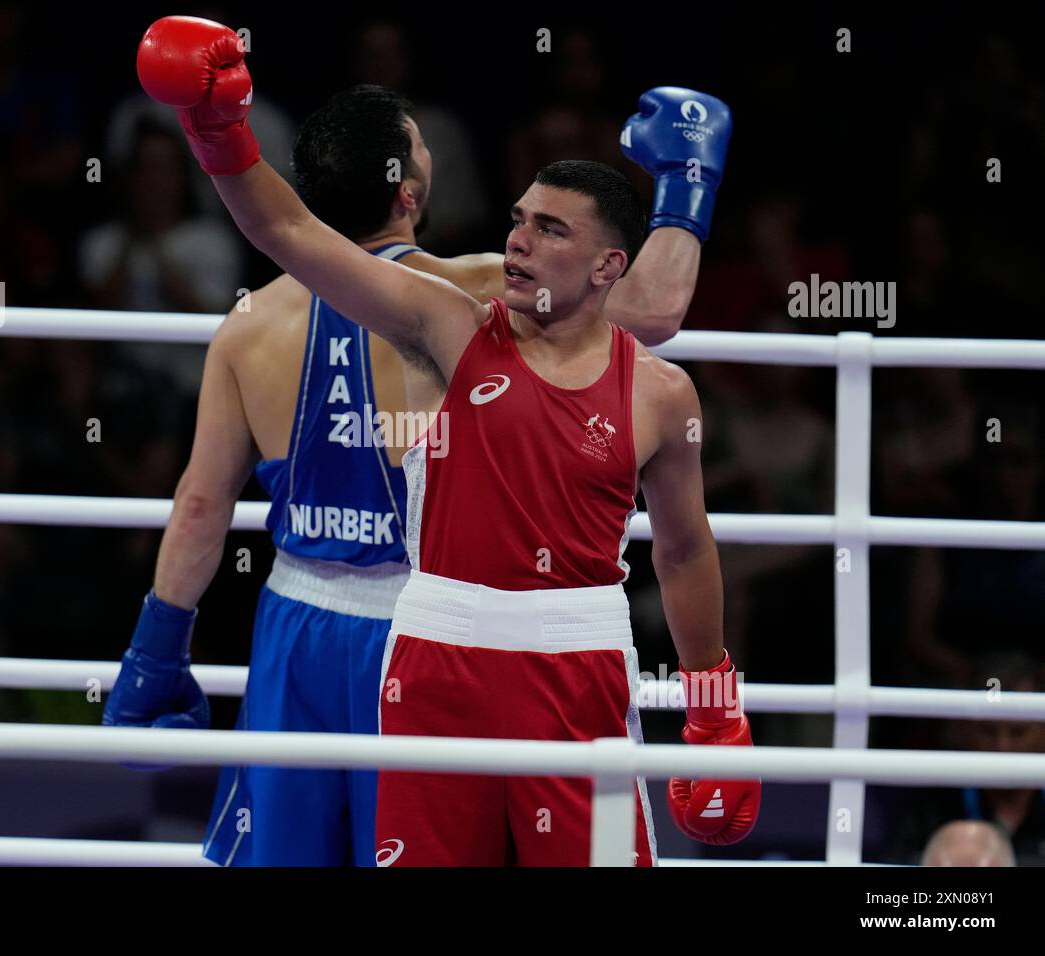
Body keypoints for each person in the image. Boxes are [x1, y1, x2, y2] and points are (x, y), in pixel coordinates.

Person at [105, 17, 727, 866]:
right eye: (521, 221)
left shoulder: (251, 325)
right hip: (430, 627)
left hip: (319, 625)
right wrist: (688, 184)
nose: (521, 239)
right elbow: (655, 308)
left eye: (546, 227)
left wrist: (156, 650)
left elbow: (204, 503)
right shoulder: (460, 301)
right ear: (406, 188)